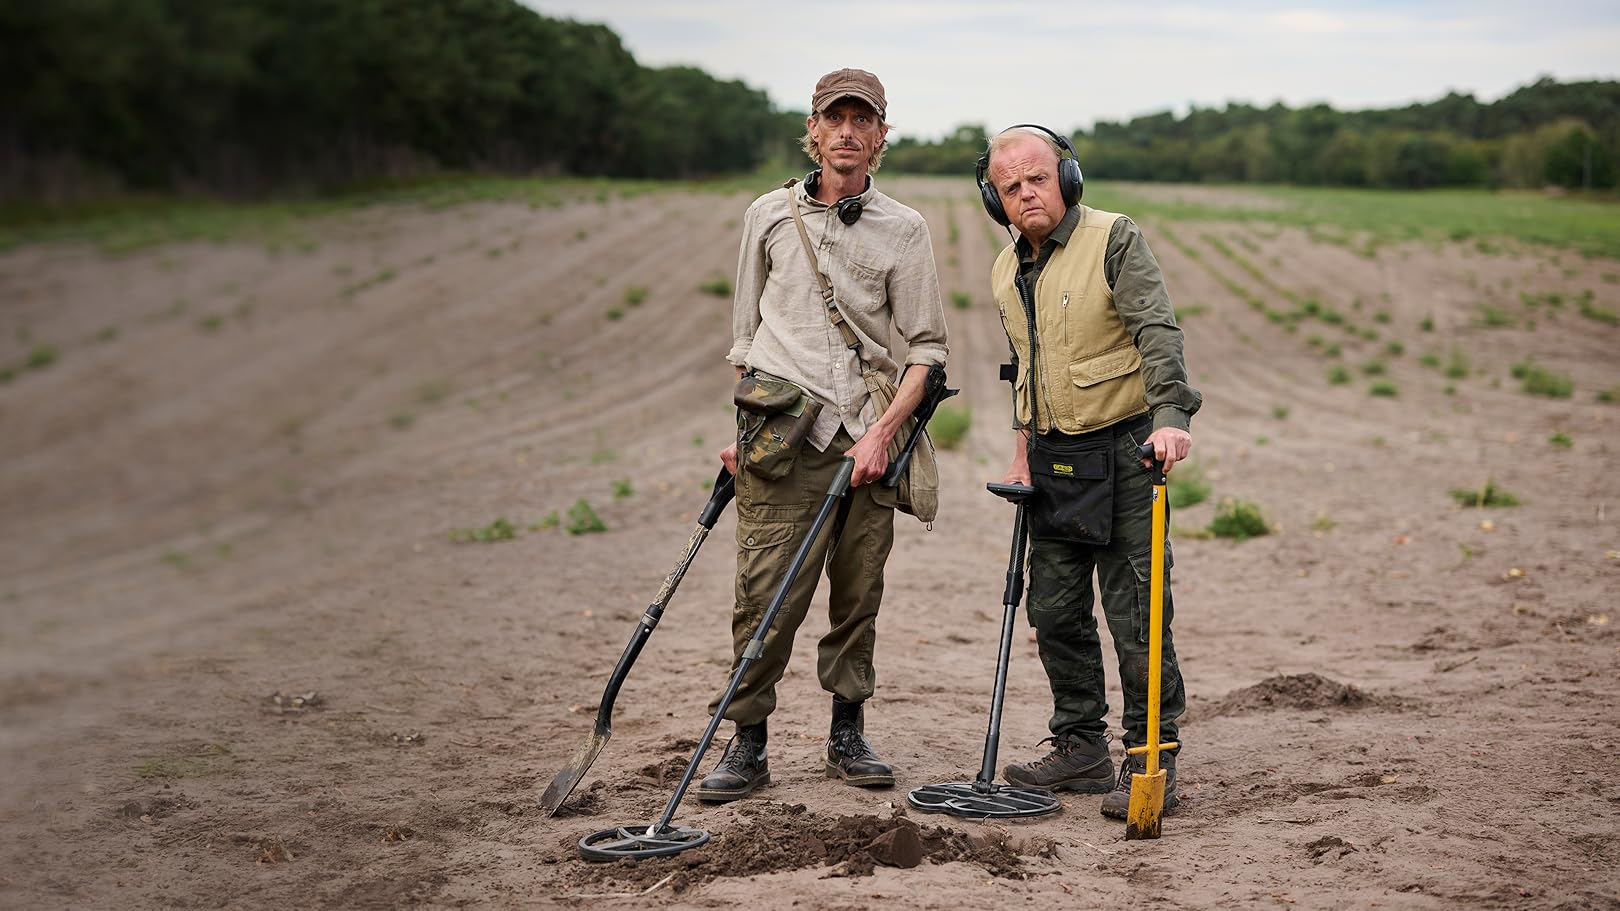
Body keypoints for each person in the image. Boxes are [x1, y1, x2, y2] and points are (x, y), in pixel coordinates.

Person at [696, 68, 950, 802]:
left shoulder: (904, 228)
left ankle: (847, 732)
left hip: (867, 441)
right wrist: (743, 435)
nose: (846, 132)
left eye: (860, 120)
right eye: (833, 118)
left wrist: (882, 437)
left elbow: (928, 351)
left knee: (857, 596)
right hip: (780, 443)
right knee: (763, 597)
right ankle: (747, 744)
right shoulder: (768, 216)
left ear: (880, 136)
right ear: (812, 130)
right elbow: (745, 342)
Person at [979, 124, 1201, 819]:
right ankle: (1080, 745)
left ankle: (1149, 754)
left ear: (1066, 177)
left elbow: (1156, 329)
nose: (1026, 193)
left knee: (1136, 615)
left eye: (1037, 177)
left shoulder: (1114, 238)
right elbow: (1026, 370)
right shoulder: (1003, 270)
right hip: (1053, 462)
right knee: (1055, 612)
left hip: (1129, 453)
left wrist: (1171, 416)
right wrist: (1020, 453)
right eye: (1010, 186)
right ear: (995, 199)